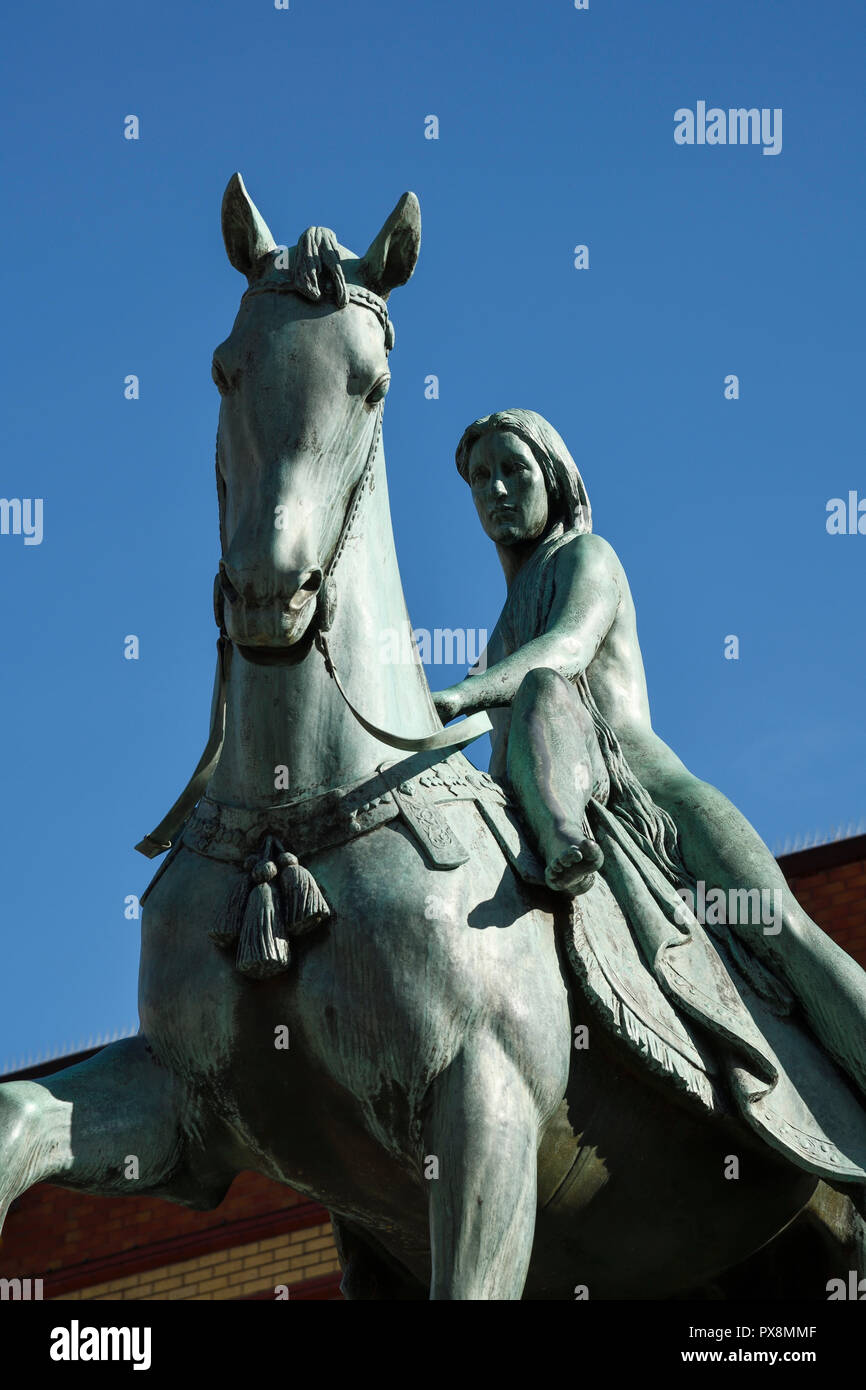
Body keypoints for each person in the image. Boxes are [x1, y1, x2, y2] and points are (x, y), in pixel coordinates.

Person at [432, 408, 866, 1097]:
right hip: (564, 800)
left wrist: (467, 690)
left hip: (658, 798)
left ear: (554, 478)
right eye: (481, 478)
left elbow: (568, 649)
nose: (496, 490)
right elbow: (504, 760)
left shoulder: (587, 557)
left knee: (784, 932)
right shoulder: (503, 626)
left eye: (514, 470)